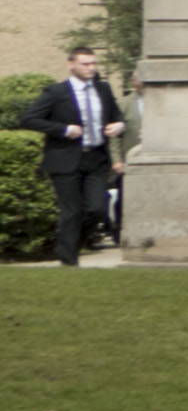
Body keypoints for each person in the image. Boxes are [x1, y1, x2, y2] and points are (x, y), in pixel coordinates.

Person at [30, 42, 129, 269]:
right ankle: (68, 261)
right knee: (71, 210)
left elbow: (117, 116)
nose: (90, 68)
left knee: (97, 209)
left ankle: (72, 246)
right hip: (65, 158)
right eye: (85, 64)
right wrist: (64, 130)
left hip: (95, 158)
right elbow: (30, 119)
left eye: (93, 63)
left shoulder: (102, 89)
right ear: (70, 65)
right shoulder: (56, 92)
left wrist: (119, 126)